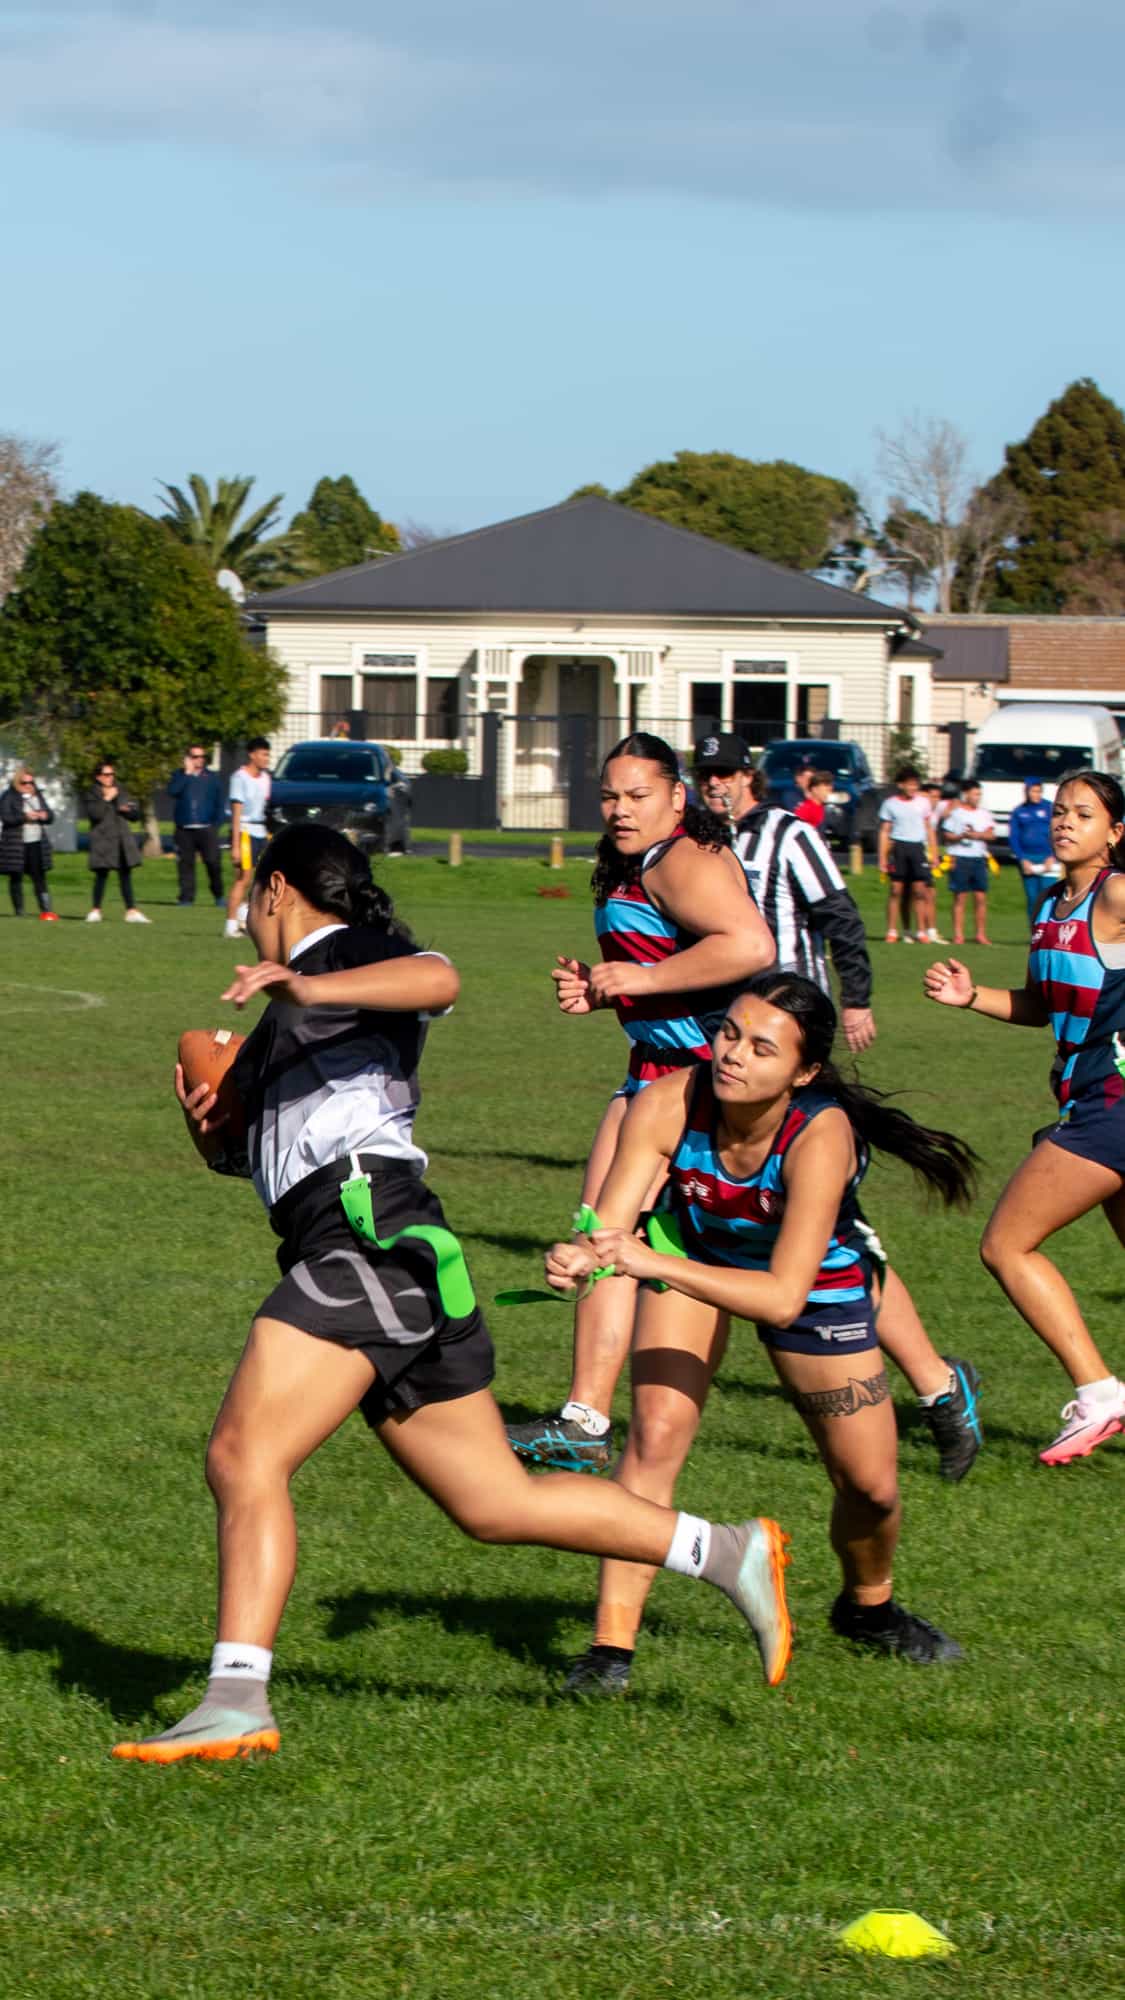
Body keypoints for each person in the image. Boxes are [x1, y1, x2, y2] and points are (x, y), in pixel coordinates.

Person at [110, 823, 792, 1763]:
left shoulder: (338, 952)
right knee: (494, 1503)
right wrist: (212, 1126)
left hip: (367, 1232)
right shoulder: (289, 1011)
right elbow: (255, 1158)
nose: (245, 921)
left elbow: (439, 977)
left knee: (242, 1456)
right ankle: (725, 1551)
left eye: (247, 897)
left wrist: (307, 982)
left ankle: (236, 1700)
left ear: (275, 891)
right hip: (357, 1237)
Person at [548, 971, 974, 1695]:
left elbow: (780, 1297)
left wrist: (640, 1258)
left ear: (803, 1073)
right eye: (728, 1034)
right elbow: (609, 1228)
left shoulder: (821, 1132)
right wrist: (579, 1259)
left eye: (760, 1048)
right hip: (691, 1255)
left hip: (812, 1287)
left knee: (869, 1488)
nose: (732, 1056)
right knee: (652, 1439)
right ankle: (609, 1652)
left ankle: (867, 1609)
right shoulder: (666, 1102)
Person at [693, 733, 982, 1479]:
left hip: (792, 1056)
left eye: (724, 772)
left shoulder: (788, 833)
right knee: (818, 1237)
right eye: (703, 774)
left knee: (837, 1242)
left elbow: (839, 917)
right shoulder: (698, 846)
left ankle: (940, 1390)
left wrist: (854, 1001)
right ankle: (939, 1388)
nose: (714, 784)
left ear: (748, 776)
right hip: (725, 1059)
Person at [505, 733, 775, 1475]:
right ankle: (583, 1417)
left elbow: (750, 946)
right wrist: (601, 989)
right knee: (602, 1231)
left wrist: (637, 982)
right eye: (609, 796)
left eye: (637, 796)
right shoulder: (643, 862)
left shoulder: (684, 858)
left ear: (676, 797)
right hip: (652, 1070)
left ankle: (936, 1382)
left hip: (694, 1084)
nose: (620, 811)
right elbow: (662, 967)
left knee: (807, 1258)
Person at [925, 769, 1125, 1465]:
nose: (1065, 822)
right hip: (1086, 1100)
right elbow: (1043, 1005)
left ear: (1114, 833)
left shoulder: (1117, 893)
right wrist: (970, 994)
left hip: (1112, 1104)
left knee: (1005, 1245)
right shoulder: (1048, 904)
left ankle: (1099, 1393)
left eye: (1084, 814)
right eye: (1060, 812)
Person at [85, 760, 150, 923]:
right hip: (102, 839)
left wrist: (129, 811)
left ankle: (131, 911)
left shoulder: (120, 789)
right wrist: (106, 798)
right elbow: (95, 814)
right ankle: (95, 910)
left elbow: (135, 816)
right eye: (106, 775)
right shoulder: (92, 792)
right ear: (98, 776)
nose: (110, 778)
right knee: (102, 875)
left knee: (125, 875)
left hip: (121, 838)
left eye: (112, 774)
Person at [878, 766, 937, 945]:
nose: (912, 788)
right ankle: (894, 930)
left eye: (915, 785)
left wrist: (934, 853)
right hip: (899, 848)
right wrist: (882, 858)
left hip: (917, 848)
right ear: (900, 784)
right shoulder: (890, 804)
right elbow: (884, 831)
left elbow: (929, 828)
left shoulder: (923, 803)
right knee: (896, 890)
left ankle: (921, 931)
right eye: (909, 784)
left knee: (919, 890)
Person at [224, 737, 272, 939]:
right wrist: (235, 844)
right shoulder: (240, 778)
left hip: (261, 831)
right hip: (244, 832)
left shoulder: (265, 778)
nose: (266, 759)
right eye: (263, 754)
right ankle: (230, 924)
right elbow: (237, 811)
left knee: (259, 879)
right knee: (243, 878)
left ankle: (245, 917)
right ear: (252, 755)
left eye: (268, 754)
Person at [168, 744, 225, 907]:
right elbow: (173, 791)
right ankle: (186, 898)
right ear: (188, 758)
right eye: (195, 757)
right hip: (184, 829)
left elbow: (220, 803)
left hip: (206, 828)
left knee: (213, 863)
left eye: (201, 757)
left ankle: (219, 895)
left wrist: (216, 825)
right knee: (185, 864)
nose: (199, 760)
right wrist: (187, 774)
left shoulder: (211, 778)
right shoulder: (179, 775)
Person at [941, 779, 996, 947]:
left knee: (980, 897)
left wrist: (977, 835)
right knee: (960, 897)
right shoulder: (957, 813)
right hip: (960, 857)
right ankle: (958, 934)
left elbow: (991, 835)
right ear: (966, 794)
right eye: (974, 793)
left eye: (979, 794)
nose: (977, 797)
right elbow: (947, 835)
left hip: (978, 858)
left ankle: (980, 934)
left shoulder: (984, 814)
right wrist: (961, 837)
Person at [0, 767, 56, 919]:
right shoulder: (8, 796)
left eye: (31, 782)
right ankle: (19, 911)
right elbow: (6, 817)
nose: (29, 785)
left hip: (36, 842)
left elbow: (51, 815)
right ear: (18, 782)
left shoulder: (37, 796)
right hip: (16, 844)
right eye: (25, 783)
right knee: (16, 877)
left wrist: (45, 815)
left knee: (39, 877)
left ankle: (46, 910)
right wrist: (24, 817)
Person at [1008, 780, 1060, 927]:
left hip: (1048, 858)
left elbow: (1057, 832)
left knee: (1049, 897)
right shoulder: (1019, 811)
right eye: (1033, 791)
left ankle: (1049, 931)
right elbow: (1014, 837)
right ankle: (1035, 933)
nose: (1036, 795)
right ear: (1027, 792)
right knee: (1033, 898)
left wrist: (1053, 855)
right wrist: (1022, 858)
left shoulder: (1049, 808)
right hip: (1029, 858)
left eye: (1038, 791)